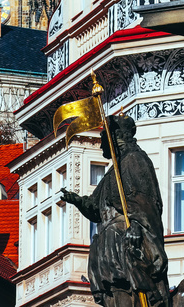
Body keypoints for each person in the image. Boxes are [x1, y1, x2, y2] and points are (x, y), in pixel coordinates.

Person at [61, 115, 170, 307]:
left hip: (124, 238)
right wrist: (77, 200)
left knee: (126, 290)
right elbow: (96, 207)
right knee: (112, 292)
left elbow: (145, 202)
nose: (101, 143)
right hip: (108, 240)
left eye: (104, 138)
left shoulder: (134, 160)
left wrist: (137, 226)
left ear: (116, 137)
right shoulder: (114, 170)